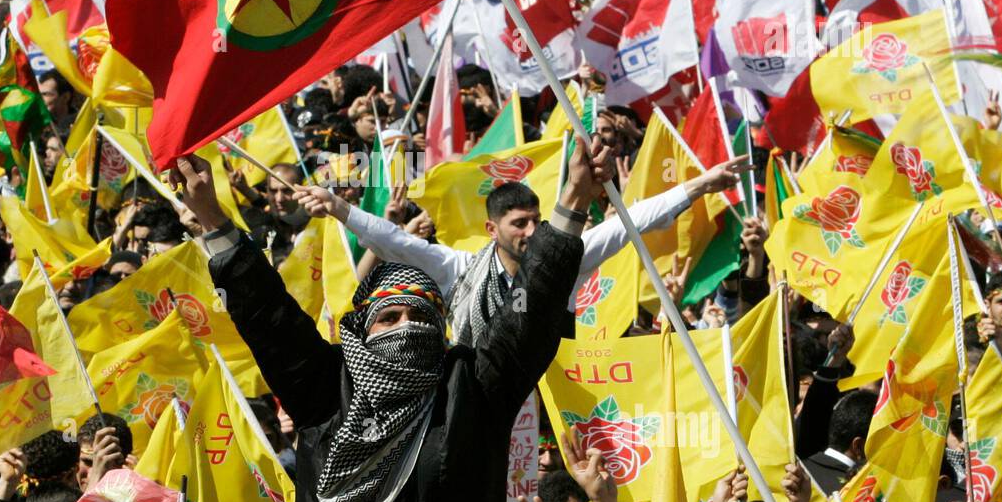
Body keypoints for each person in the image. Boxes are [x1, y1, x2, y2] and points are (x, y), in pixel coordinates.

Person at [171, 133, 609, 502]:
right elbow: (267, 314)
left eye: (420, 316)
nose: (406, 326)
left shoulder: (473, 387)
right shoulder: (326, 384)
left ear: (441, 330)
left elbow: (532, 310)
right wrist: (210, 215)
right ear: (363, 329)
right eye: (390, 316)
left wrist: (572, 199)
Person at [296, 146, 750, 345]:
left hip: (548, 400)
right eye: (519, 223)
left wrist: (701, 185)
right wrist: (338, 206)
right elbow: (394, 241)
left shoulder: (564, 260)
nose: (531, 231)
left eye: (536, 220)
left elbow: (631, 224)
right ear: (492, 230)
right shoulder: (459, 268)